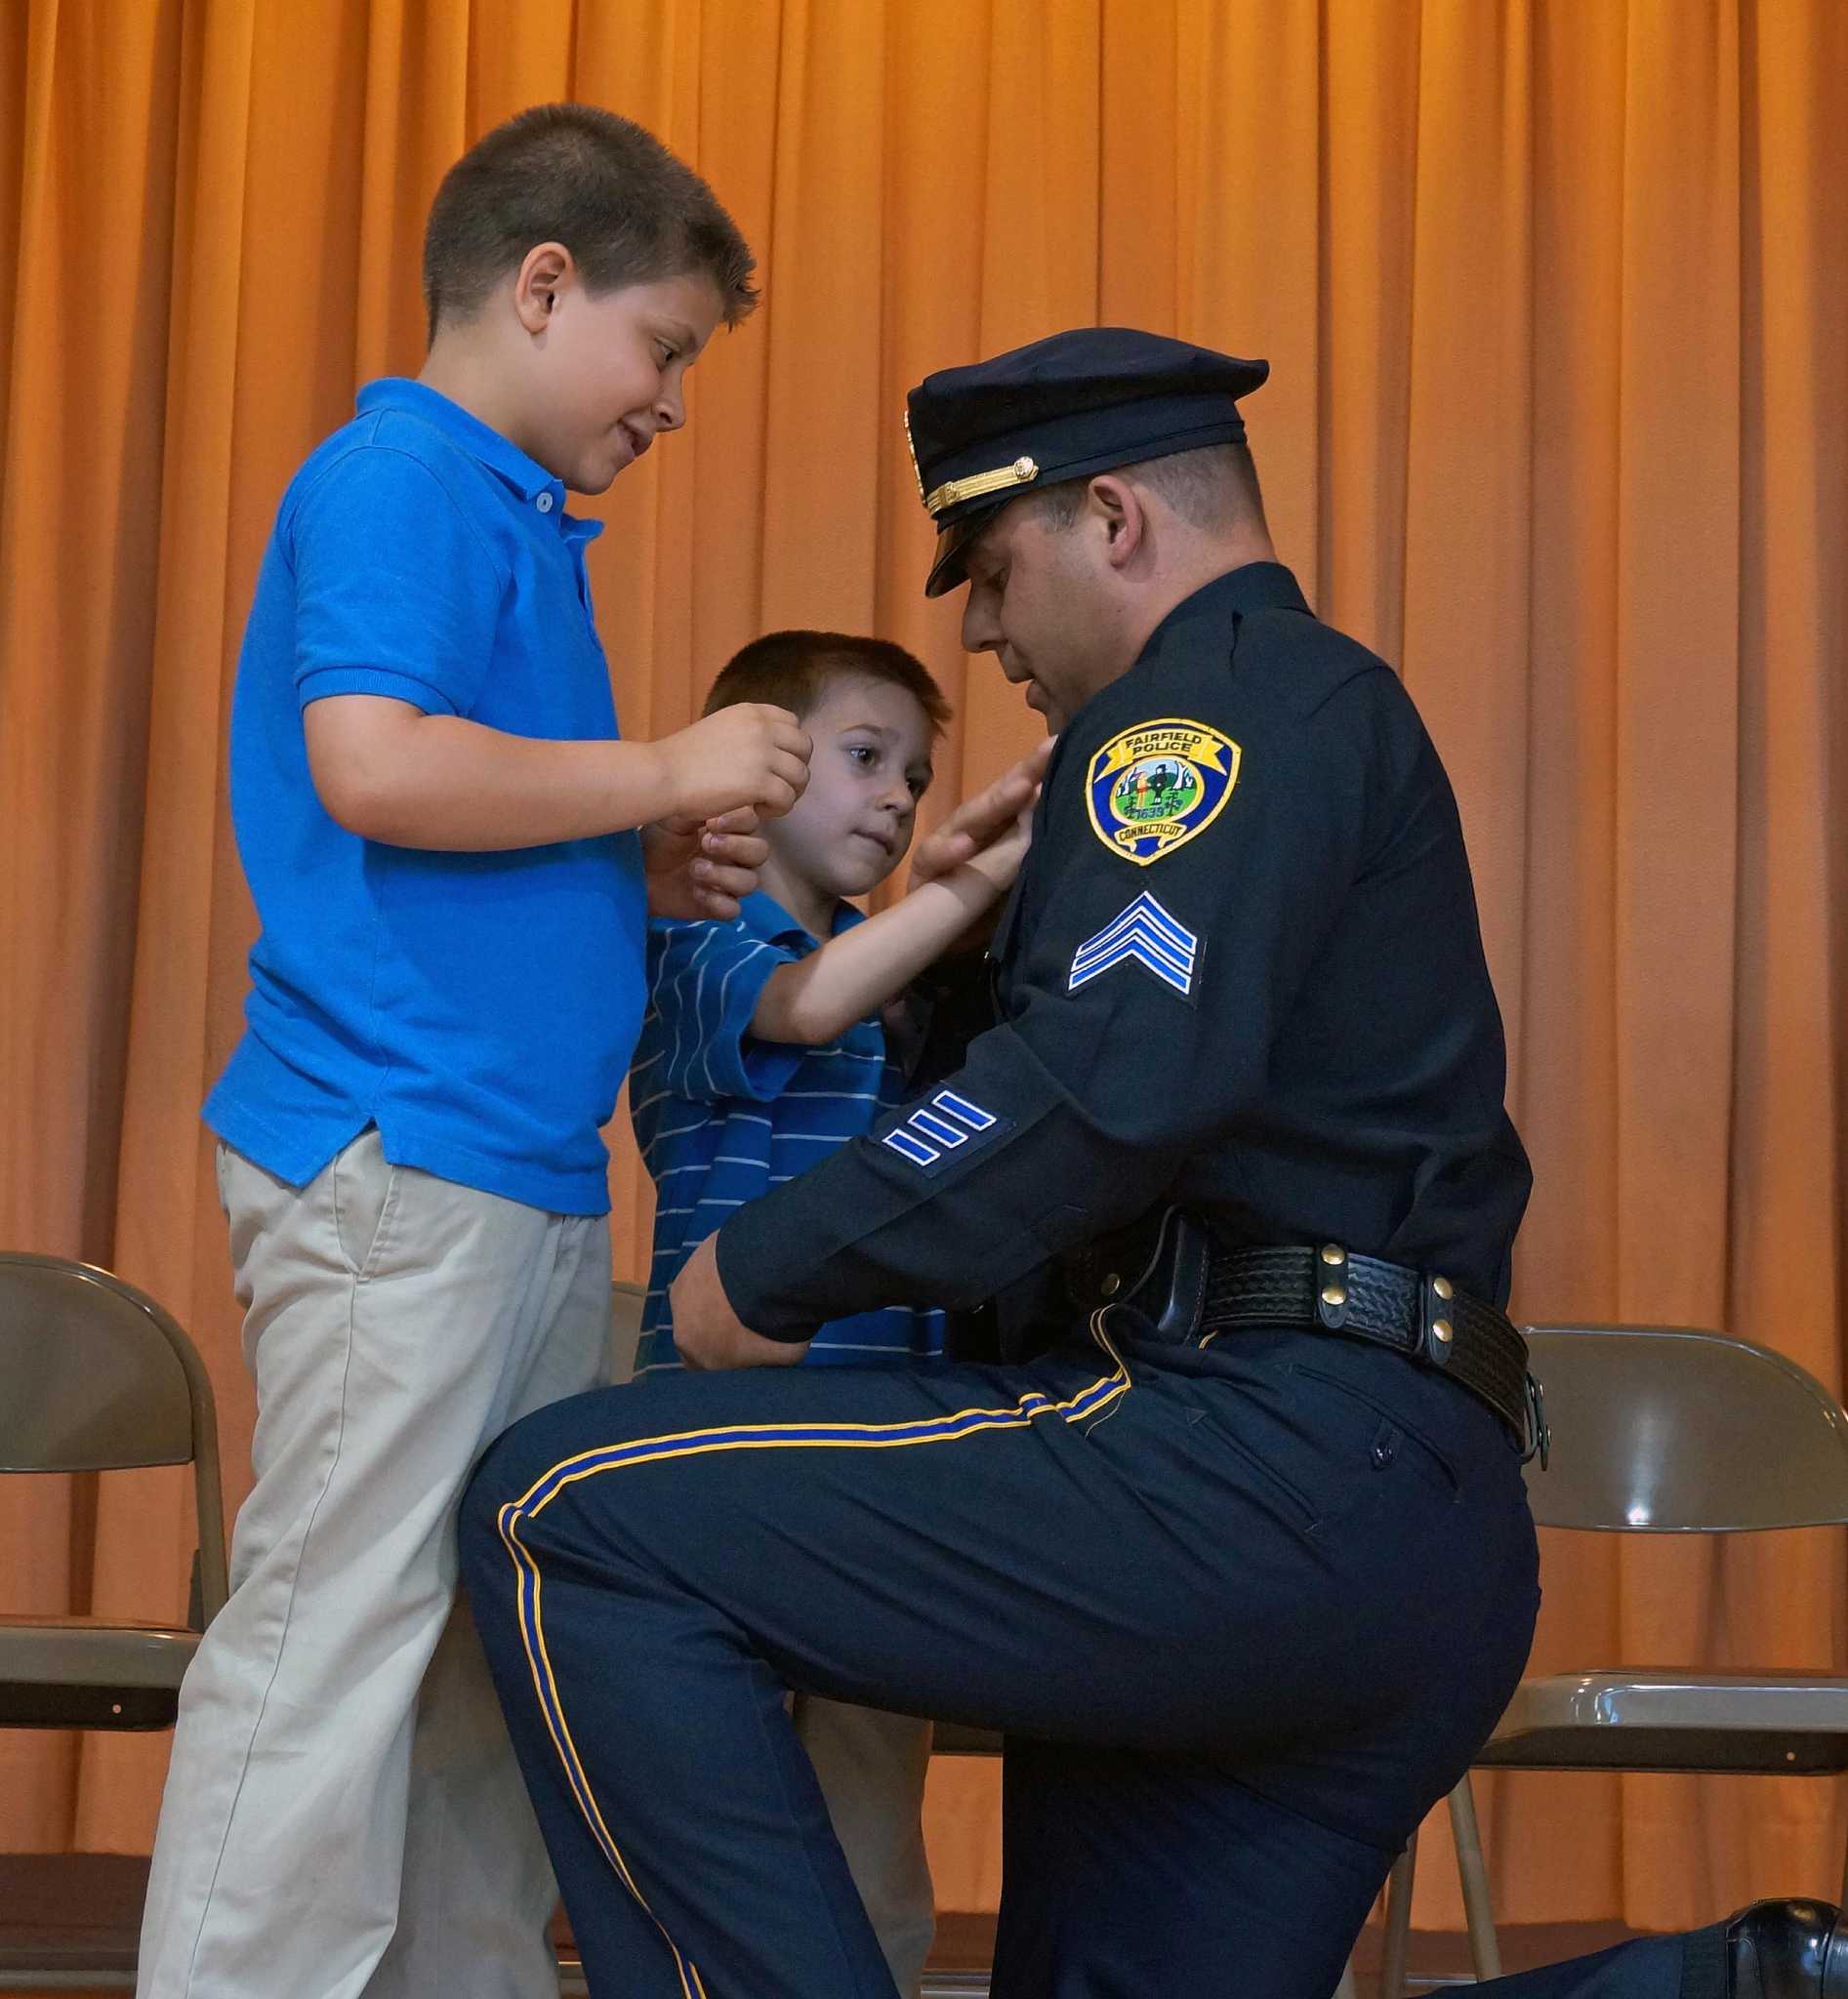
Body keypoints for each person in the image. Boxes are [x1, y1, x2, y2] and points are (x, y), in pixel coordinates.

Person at [458, 328, 1847, 1999]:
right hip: (1383, 1498)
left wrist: (763, 1270)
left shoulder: (1194, 719)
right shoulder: (1290, 712)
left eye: (986, 563)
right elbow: (1126, 1078)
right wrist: (966, 934)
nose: (972, 627)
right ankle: (1737, 1986)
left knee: (561, 1512)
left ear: (1110, 519)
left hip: (1240, 1455)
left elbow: (1104, 1091)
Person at [137, 104, 814, 1999]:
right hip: (401, 1151)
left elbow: (465, 795)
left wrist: (632, 838)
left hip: (505, 1169)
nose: (671, 399)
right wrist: (668, 766)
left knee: (467, 1661)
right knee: (332, 1635)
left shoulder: (509, 510)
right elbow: (374, 758)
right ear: (539, 285)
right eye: (662, 346)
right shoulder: (399, 478)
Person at [630, 628, 1039, 1995]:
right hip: (718, 1432)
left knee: (871, 1799)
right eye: (862, 759)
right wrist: (971, 878)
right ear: (749, 772)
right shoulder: (695, 939)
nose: (895, 799)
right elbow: (802, 1009)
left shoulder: (892, 981)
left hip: (876, 1441)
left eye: (916, 778)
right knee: (720, 1795)